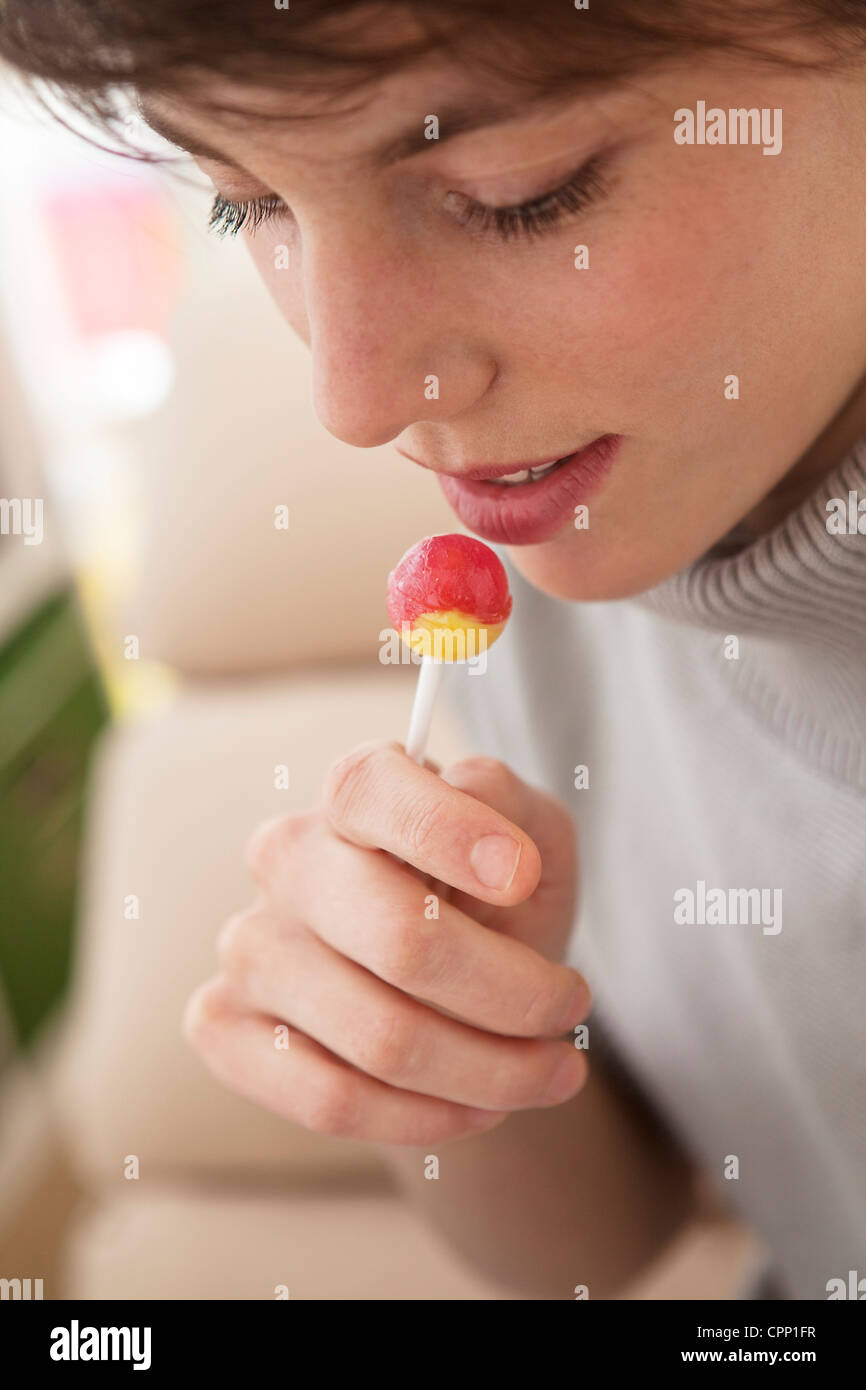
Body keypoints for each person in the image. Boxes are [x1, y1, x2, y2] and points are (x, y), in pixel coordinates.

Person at [3, 0, 864, 1300]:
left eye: (517, 194)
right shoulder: (552, 569)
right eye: (247, 205)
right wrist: (441, 1048)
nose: (352, 400)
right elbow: (604, 1242)